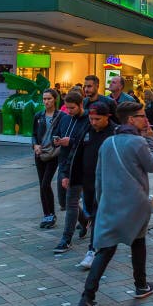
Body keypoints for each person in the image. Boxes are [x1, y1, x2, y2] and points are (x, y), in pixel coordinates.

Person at [75, 101, 153, 306]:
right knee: (138, 241)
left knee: (105, 250)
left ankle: (87, 297)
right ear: (131, 120)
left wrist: (98, 207)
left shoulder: (108, 143)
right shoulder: (139, 142)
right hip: (136, 204)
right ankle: (140, 285)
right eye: (141, 116)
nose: (145, 119)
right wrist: (150, 139)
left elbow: (99, 178)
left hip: (110, 205)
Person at [65, 102, 116, 269]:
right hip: (88, 182)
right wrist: (68, 175)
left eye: (97, 119)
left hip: (107, 184)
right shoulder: (86, 130)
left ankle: (92, 250)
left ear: (107, 117)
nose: (93, 122)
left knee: (97, 216)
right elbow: (76, 153)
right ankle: (100, 246)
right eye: (91, 118)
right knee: (94, 214)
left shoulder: (115, 133)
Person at [52, 91, 92, 254]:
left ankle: (66, 239)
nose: (69, 111)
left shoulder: (89, 120)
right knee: (64, 201)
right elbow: (59, 134)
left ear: (81, 105)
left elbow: (89, 142)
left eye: (72, 108)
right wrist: (57, 141)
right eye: (67, 108)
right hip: (64, 162)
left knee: (71, 200)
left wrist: (72, 141)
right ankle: (84, 221)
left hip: (79, 165)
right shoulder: (65, 118)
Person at [31, 88, 62, 229]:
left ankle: (51, 214)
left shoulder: (60, 116)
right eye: (44, 99)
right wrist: (35, 145)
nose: (46, 101)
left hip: (54, 154)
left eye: (49, 98)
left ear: (54, 99)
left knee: (45, 184)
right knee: (42, 185)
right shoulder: (39, 116)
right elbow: (33, 134)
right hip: (40, 154)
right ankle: (47, 214)